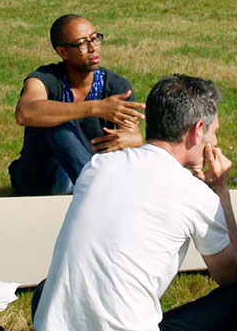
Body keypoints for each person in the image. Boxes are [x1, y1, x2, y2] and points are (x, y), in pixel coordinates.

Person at [28, 75, 237, 331]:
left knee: (48, 288)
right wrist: (220, 190)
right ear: (197, 130)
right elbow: (230, 273)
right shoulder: (195, 193)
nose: (213, 142)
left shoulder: (98, 166)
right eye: (213, 133)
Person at [8, 15, 142, 196]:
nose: (93, 48)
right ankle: (96, 188)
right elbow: (25, 112)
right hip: (47, 180)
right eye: (82, 44)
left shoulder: (116, 86)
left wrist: (133, 139)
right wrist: (95, 108)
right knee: (55, 120)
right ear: (63, 52)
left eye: (95, 39)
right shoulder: (45, 79)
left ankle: (94, 184)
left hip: (95, 168)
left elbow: (133, 137)